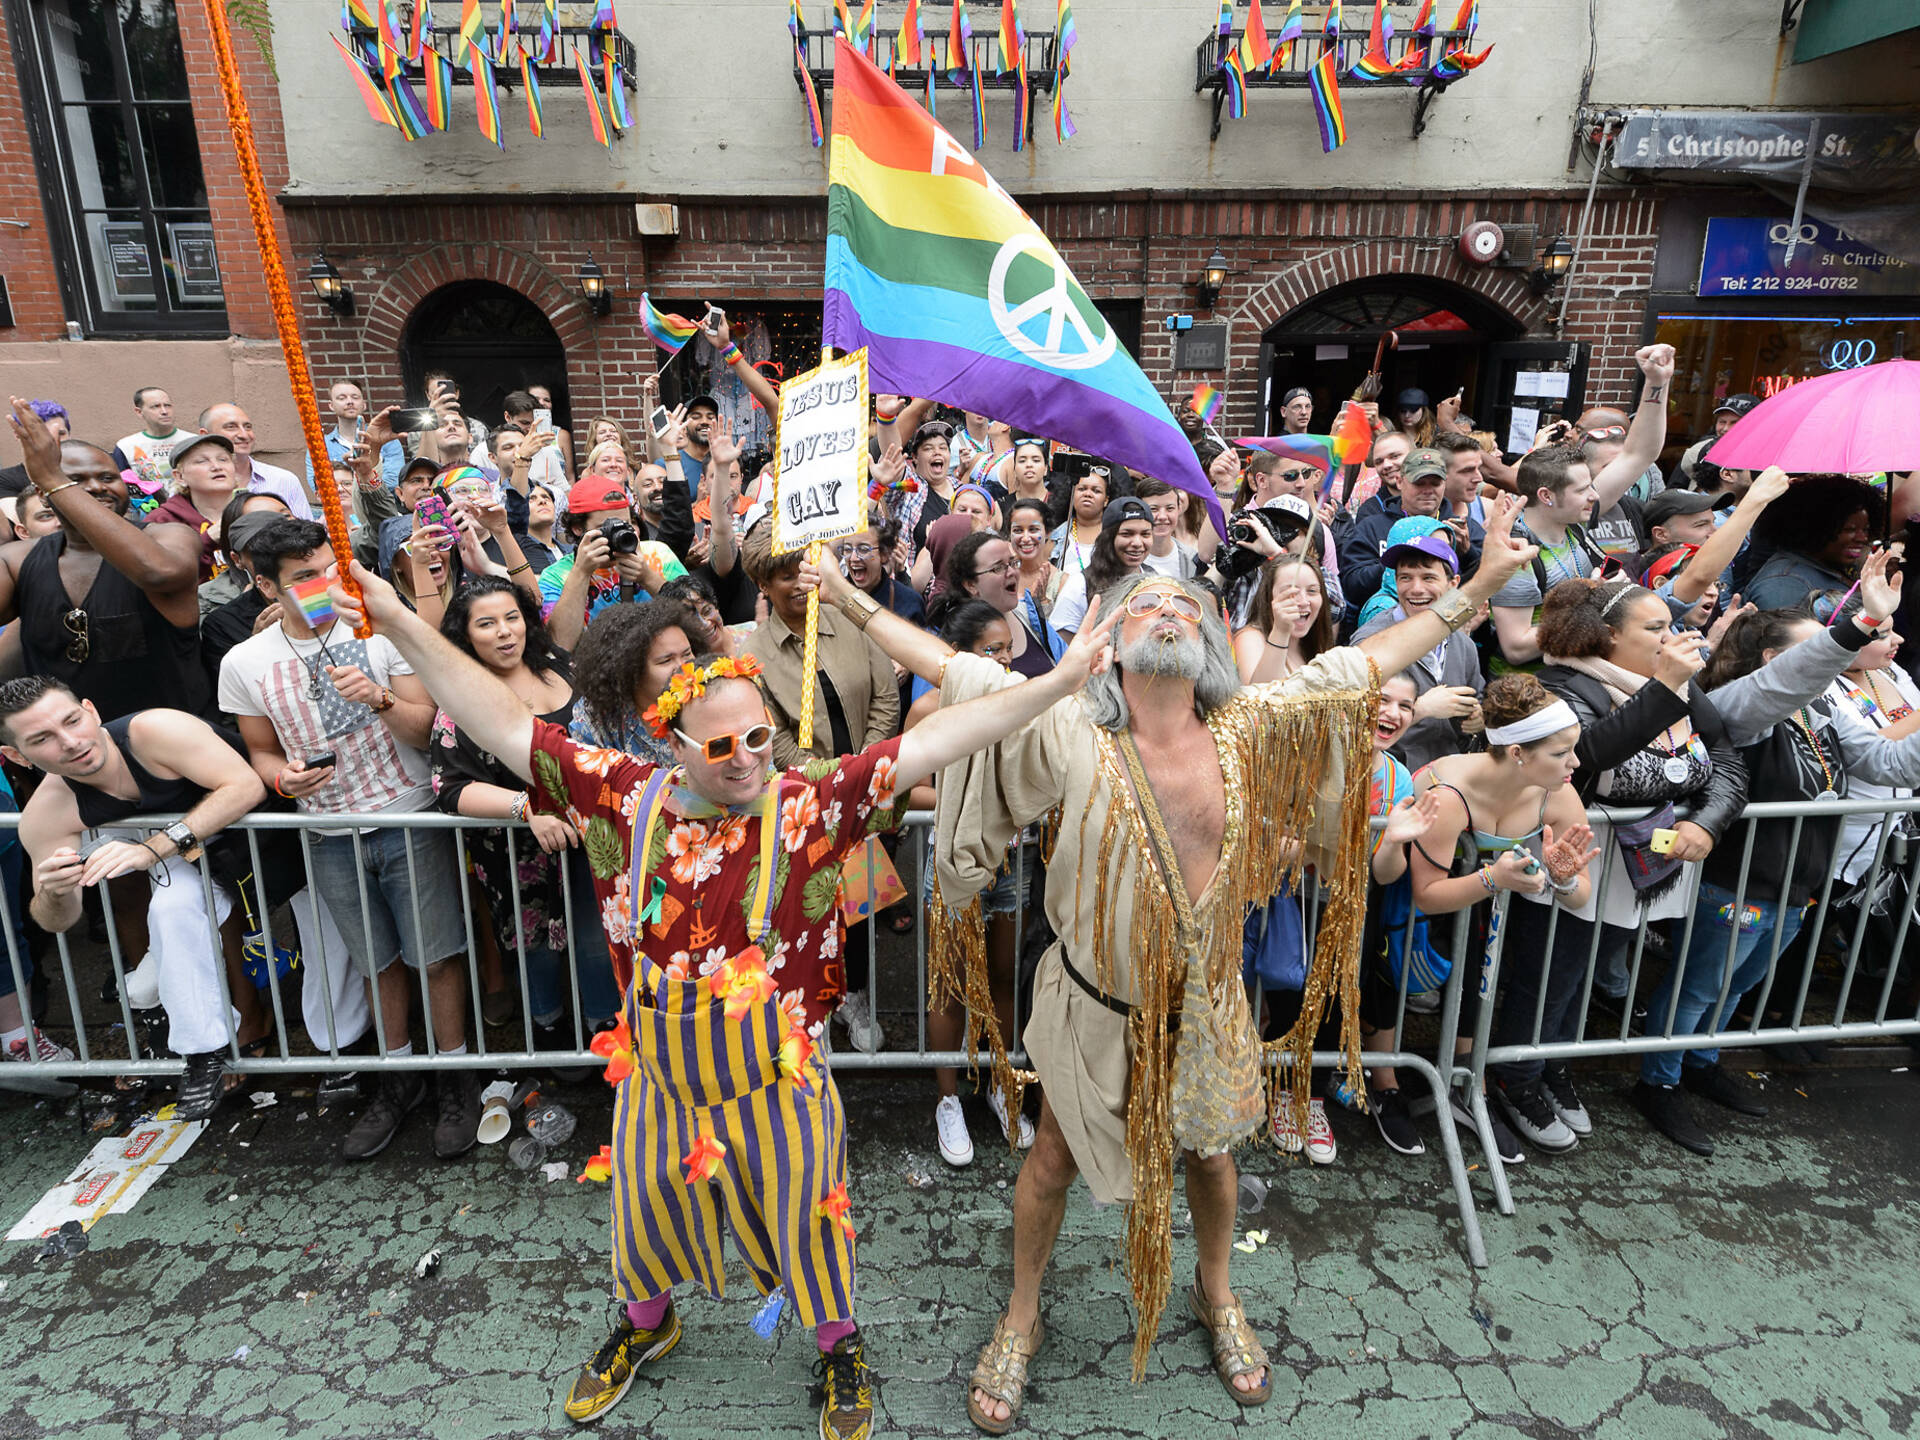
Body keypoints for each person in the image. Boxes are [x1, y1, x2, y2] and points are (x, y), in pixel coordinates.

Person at [323, 543, 1122, 1440]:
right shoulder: (621, 796)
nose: (746, 760)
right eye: (721, 744)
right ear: (672, 741)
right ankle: (646, 1326)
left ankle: (837, 1346)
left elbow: (942, 737)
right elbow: (502, 722)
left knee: (810, 1218)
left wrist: (1061, 684)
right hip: (660, 1082)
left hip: (781, 1084)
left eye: (757, 738)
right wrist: (394, 617)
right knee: (642, 1211)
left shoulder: (811, 803)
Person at [809, 496, 1539, 1426]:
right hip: (1088, 1000)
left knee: (1212, 1157)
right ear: (1110, 637)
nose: (1168, 611)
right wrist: (840, 592)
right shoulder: (1070, 724)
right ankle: (1023, 1315)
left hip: (1207, 1002)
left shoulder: (1249, 730)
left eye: (1186, 606)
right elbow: (950, 671)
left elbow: (1366, 666)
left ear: (1207, 642)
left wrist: (1479, 586)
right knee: (1053, 1158)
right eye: (1146, 603)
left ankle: (1216, 1291)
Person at [217, 517, 479, 1162]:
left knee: (437, 956)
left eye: (329, 568)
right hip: (327, 832)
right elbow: (257, 749)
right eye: (304, 577)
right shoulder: (245, 661)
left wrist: (383, 699)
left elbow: (428, 731)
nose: (323, 584)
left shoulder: (380, 630)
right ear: (264, 586)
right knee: (374, 962)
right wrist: (281, 779)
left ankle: (457, 1081)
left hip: (408, 816)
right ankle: (397, 1082)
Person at [1637, 562, 1910, 1155]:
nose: (1833, 666)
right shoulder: (1739, 708)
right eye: (1814, 655)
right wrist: (1857, 625)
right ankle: (1657, 1081)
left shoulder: (1823, 713)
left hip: (1795, 885)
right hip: (1737, 882)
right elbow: (1792, 680)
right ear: (1772, 661)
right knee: (1699, 985)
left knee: (1739, 984)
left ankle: (1702, 1064)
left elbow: (1892, 766)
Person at [1487, 577, 1749, 1153]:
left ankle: (1551, 1065)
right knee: (1549, 975)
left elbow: (1727, 757)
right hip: (1573, 854)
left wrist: (1705, 821)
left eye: (1670, 625)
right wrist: (1664, 688)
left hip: (1640, 862)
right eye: (1654, 628)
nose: (1671, 637)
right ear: (1608, 636)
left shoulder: (1674, 685)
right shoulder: (1559, 685)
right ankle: (1515, 1077)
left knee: (1582, 979)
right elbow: (1586, 758)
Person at [3, 677, 267, 1114]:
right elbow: (58, 920)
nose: (70, 742)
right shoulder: (47, 812)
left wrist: (151, 849)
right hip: (203, 857)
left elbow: (245, 786)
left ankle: (361, 1060)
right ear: (16, 755)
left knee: (339, 956)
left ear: (91, 709)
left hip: (285, 839)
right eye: (42, 739)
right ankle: (205, 1054)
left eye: (72, 720)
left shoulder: (154, 731)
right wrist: (53, 891)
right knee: (171, 906)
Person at [1409, 675, 1604, 1166]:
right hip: (1411, 917)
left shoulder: (1554, 793)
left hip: (1484, 906)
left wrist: (1560, 879)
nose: (1575, 764)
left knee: (1484, 980)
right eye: (1562, 753)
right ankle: (1409, 1090)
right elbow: (1426, 897)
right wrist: (1495, 880)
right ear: (1517, 753)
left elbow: (1581, 896)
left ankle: (1464, 1088)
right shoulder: (1448, 789)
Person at [743, 517, 902, 1055]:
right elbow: (774, 739)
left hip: (866, 795)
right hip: (804, 805)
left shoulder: (851, 620)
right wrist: (829, 786)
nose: (797, 583)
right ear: (762, 584)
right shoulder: (752, 656)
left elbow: (886, 696)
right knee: (807, 910)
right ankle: (812, 1001)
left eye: (802, 568)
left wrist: (865, 769)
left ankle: (854, 995)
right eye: (781, 574)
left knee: (858, 911)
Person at [902, 599, 1036, 1165]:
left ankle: (1002, 1082)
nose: (1005, 659)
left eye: (1008, 649)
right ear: (956, 655)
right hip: (952, 864)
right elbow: (907, 790)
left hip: (1010, 866)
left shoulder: (1022, 704)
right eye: (991, 650)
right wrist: (980, 803)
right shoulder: (931, 707)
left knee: (1004, 976)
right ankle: (948, 1101)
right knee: (950, 984)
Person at [429, 578, 586, 1048]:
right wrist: (528, 811)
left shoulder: (561, 665)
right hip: (518, 855)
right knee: (534, 949)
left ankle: (603, 1028)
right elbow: (450, 788)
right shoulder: (461, 697)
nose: (504, 632)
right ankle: (549, 1028)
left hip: (592, 839)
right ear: (465, 635)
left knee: (598, 942)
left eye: (512, 618)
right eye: (487, 623)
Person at [1, 398, 212, 721]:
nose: (97, 487)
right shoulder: (17, 560)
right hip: (74, 750)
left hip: (174, 746)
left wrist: (56, 480)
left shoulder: (168, 536)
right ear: (43, 493)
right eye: (77, 481)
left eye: (107, 477)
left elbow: (159, 573)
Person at [1352, 533, 1485, 771]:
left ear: (1453, 584)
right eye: (1405, 578)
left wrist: (1479, 717)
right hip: (1390, 780)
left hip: (1449, 778)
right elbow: (1352, 724)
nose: (1416, 589)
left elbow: (1479, 697)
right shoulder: (1372, 641)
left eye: (1428, 578)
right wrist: (1422, 709)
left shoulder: (1463, 644)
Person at [1486, 444, 1611, 670]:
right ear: (1546, 496)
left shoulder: (1576, 530)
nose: (1595, 495)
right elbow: (1516, 648)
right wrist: (1594, 604)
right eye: (1582, 490)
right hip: (1532, 691)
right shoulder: (1518, 553)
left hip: (1573, 676)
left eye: (1591, 485)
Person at [539, 478, 682, 648]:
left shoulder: (658, 553)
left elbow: (696, 617)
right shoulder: (555, 576)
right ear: (578, 528)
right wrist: (582, 572)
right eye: (606, 527)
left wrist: (648, 577)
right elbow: (561, 644)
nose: (618, 534)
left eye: (625, 524)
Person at [1741, 475, 1881, 615]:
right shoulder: (1784, 586)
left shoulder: (1828, 566)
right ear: (1816, 529)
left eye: (1866, 530)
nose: (1863, 538)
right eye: (1850, 530)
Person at [1048, 496, 1155, 637]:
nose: (1137, 542)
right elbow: (1060, 648)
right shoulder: (1080, 585)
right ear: (1108, 537)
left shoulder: (1155, 580)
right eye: (1126, 534)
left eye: (1145, 534)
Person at [146, 432, 238, 582]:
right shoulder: (161, 520)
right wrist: (207, 540)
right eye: (202, 461)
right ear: (180, 477)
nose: (216, 467)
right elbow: (157, 574)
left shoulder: (256, 509)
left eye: (223, 459)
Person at [197, 403, 314, 518]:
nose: (244, 435)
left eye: (248, 427)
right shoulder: (193, 483)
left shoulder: (283, 480)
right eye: (231, 427)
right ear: (205, 435)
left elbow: (307, 533)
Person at [1232, 554, 1331, 686]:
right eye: (1291, 592)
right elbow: (1260, 699)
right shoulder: (1250, 638)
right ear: (1268, 597)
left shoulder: (1315, 643)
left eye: (1312, 591)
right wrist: (1280, 632)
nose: (1303, 601)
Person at [310, 380, 403, 489]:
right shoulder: (319, 446)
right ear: (331, 405)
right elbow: (317, 486)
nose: (350, 401)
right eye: (342, 398)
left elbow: (394, 481)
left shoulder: (387, 440)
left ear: (364, 405)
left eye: (355, 397)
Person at [114, 387, 191, 506]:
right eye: (155, 406)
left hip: (191, 508)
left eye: (168, 405)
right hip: (149, 511)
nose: (164, 411)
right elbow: (121, 487)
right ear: (139, 412)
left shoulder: (192, 441)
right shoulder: (126, 446)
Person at [1676, 394, 1758, 486]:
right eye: (1722, 422)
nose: (1726, 428)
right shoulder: (1700, 450)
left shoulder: (1764, 456)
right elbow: (1675, 488)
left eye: (1734, 423)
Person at [1048, 464, 1111, 583]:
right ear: (1072, 494)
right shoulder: (1057, 535)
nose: (1087, 494)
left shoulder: (1116, 535)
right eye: (1082, 489)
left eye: (1096, 491)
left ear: (1106, 500)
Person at [0, 400, 70, 499]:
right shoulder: (5, 480)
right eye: (41, 435)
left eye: (61, 434)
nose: (51, 441)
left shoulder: (87, 472)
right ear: (18, 435)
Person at [1135, 479, 1199, 581]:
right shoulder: (1128, 560)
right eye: (1153, 509)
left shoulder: (1192, 559)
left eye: (1170, 508)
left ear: (1179, 509)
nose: (1162, 516)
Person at [1008, 497, 1062, 615]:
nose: (1026, 538)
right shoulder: (1003, 576)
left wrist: (1043, 602)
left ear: (1047, 532)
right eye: (1018, 530)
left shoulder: (1062, 583)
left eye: (1033, 530)